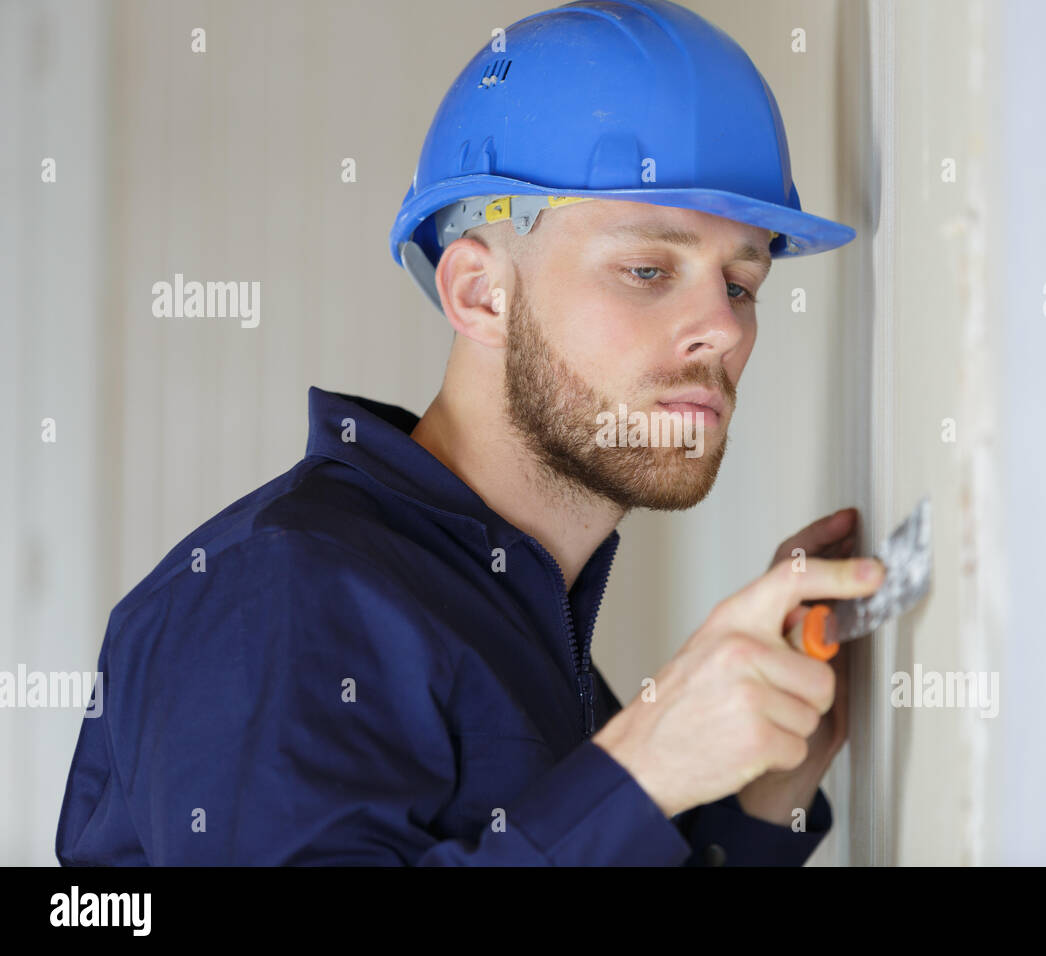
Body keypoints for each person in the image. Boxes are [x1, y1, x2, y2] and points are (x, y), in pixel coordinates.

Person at [55, 0, 880, 866]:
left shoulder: (524, 631)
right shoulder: (281, 595)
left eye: (740, 284)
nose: (722, 326)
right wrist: (644, 767)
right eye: (647, 269)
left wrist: (751, 807)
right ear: (481, 295)